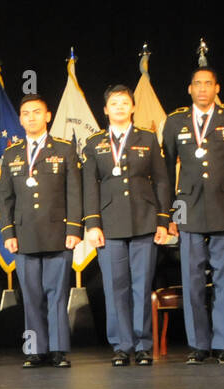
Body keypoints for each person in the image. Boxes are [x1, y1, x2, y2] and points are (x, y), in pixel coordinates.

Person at [161, 67, 224, 365]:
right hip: (187, 209)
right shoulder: (175, 121)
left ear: (217, 87)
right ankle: (199, 345)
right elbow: (165, 173)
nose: (202, 89)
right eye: (197, 84)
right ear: (189, 89)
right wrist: (169, 216)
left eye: (208, 84)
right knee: (192, 279)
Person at [82, 85, 172, 367]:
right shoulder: (94, 142)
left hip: (144, 221)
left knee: (141, 286)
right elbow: (89, 186)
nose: (120, 107)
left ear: (132, 107)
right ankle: (121, 345)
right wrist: (93, 223)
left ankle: (143, 344)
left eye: (125, 102)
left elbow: (161, 181)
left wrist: (163, 220)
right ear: (106, 110)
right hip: (109, 224)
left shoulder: (147, 138)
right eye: (114, 103)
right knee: (114, 286)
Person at [0, 95, 81, 368]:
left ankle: (58, 350)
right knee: (31, 295)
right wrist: (8, 233)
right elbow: (6, 199)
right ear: (20, 119)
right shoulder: (11, 153)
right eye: (26, 113)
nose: (31, 117)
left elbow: (74, 192)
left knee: (56, 295)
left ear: (48, 116)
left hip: (58, 232)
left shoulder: (64, 148)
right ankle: (35, 350)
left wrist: (74, 228)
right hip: (23, 235)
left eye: (37, 112)